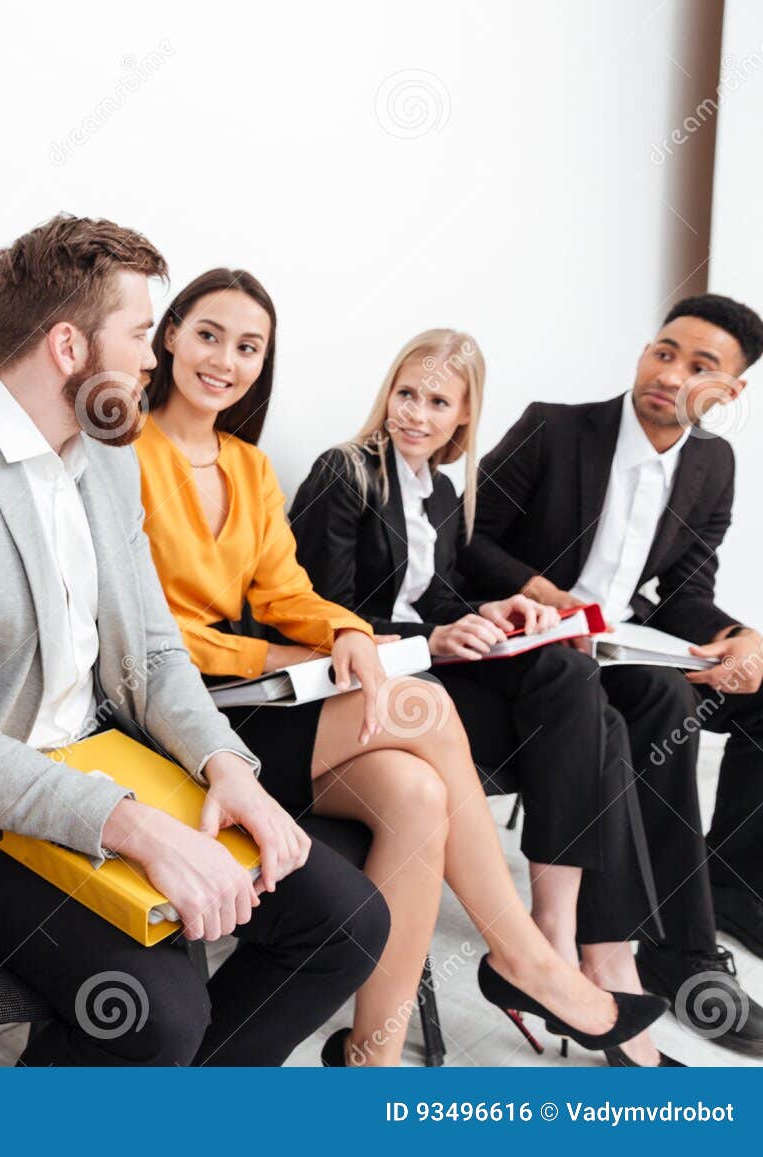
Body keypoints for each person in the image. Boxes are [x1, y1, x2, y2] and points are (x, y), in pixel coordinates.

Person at [0, 214, 390, 1066]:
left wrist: (227, 769)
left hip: (104, 761)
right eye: (140, 333)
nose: (150, 358)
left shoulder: (108, 455)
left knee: (348, 920)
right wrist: (133, 826)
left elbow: (157, 654)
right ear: (69, 347)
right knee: (153, 1013)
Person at [134, 268, 665, 1066]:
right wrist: (293, 648)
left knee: (419, 793)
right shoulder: (120, 455)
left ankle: (371, 1061)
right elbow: (146, 632)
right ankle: (524, 958)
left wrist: (343, 631)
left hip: (264, 691)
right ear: (169, 334)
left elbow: (286, 589)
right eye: (208, 335)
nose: (225, 360)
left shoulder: (245, 464)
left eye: (249, 346)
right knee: (423, 708)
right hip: (187, 708)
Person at [288, 327, 672, 1065]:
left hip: (424, 676)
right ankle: (557, 958)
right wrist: (431, 639)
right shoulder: (345, 473)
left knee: (573, 679)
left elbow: (436, 595)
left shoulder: (440, 493)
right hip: (366, 692)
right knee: (604, 732)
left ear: (463, 416)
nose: (416, 414)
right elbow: (319, 614)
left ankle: (555, 937)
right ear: (388, 391)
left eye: (438, 401)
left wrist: (492, 612)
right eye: (407, 393)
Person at [464, 293, 763, 1057]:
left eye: (700, 367)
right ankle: (629, 952)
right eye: (664, 351)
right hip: (526, 646)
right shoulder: (556, 429)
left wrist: (738, 635)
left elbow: (685, 592)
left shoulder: (710, 463)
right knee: (646, 697)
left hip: (616, 647)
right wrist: (537, 589)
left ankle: (702, 931)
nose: (669, 373)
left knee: (703, 690)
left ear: (730, 394)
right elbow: (467, 538)